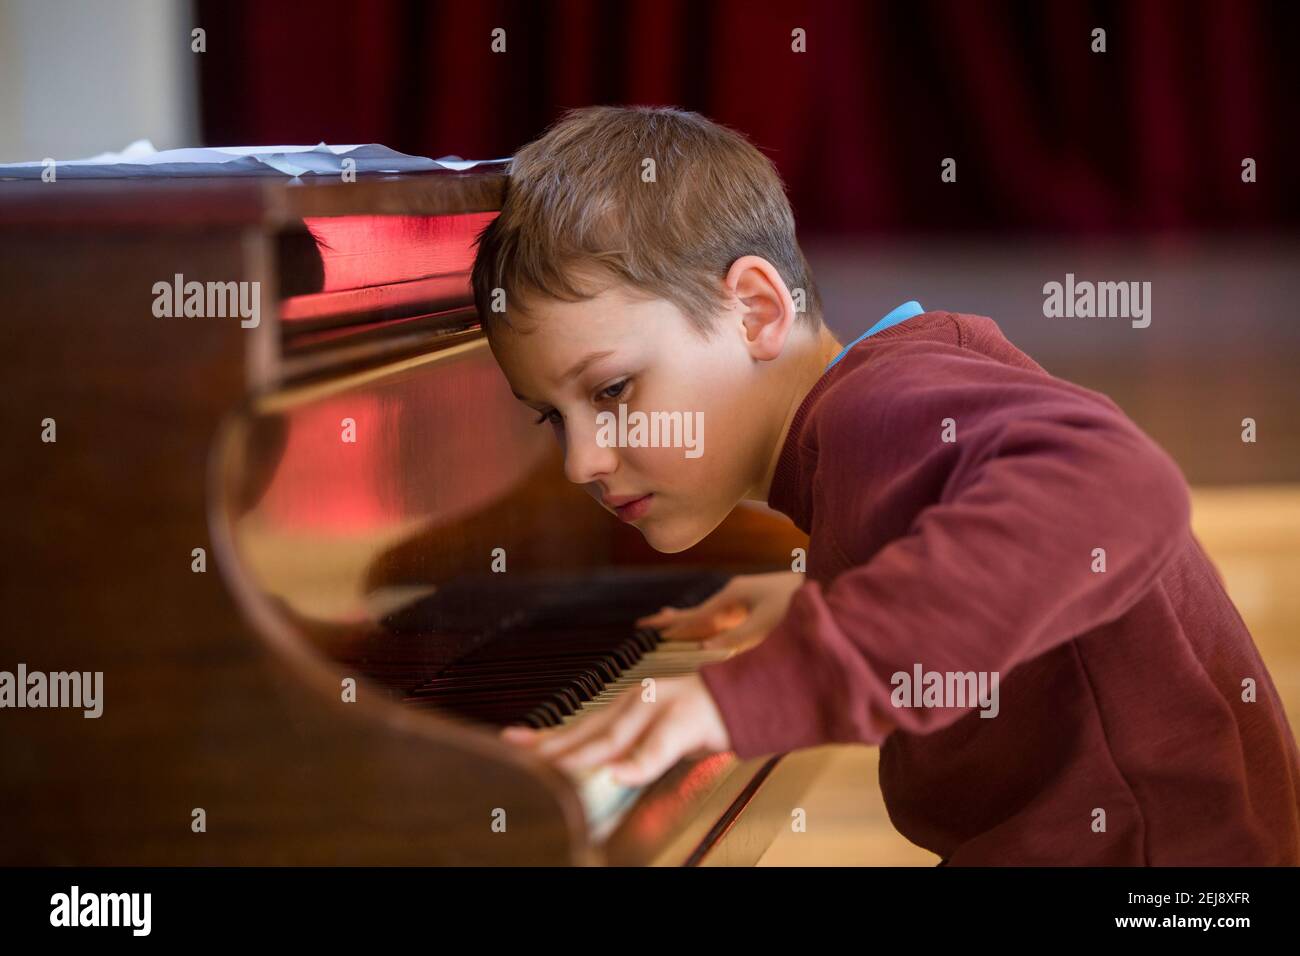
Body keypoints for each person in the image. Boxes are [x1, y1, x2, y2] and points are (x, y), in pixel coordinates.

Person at [470, 104, 1300, 864]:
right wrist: (835, 591)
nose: (581, 461)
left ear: (756, 312)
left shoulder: (886, 404)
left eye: (612, 391)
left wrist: (746, 695)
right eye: (551, 415)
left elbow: (1121, 488)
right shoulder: (883, 403)